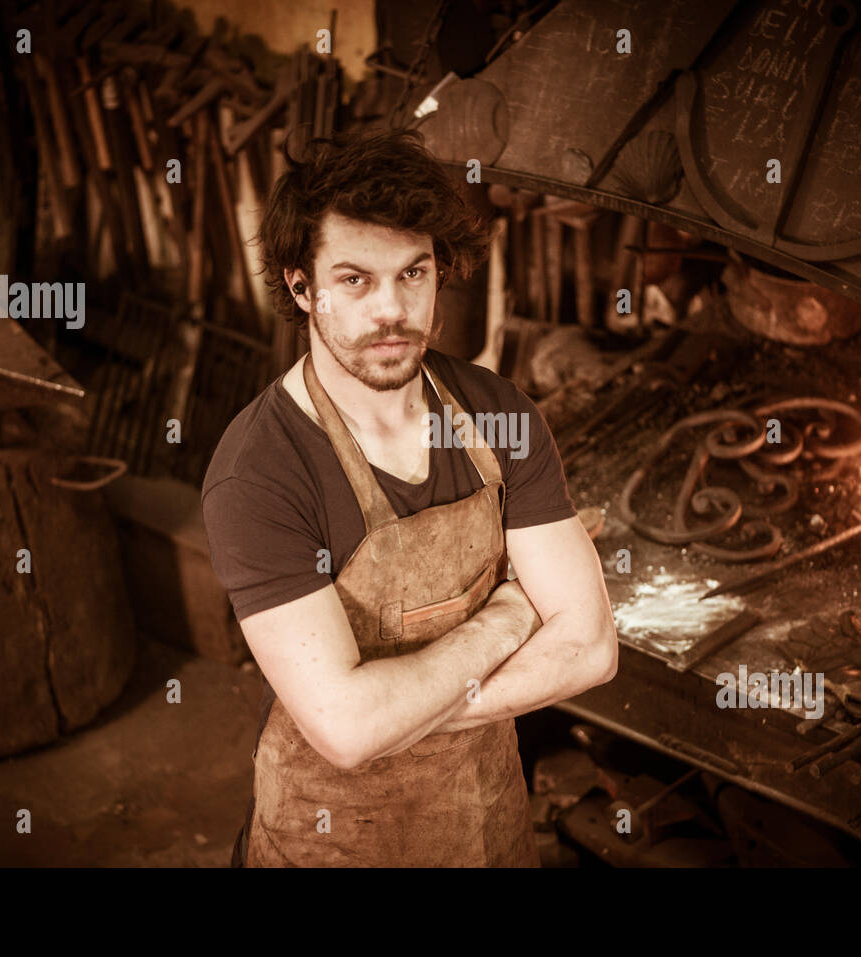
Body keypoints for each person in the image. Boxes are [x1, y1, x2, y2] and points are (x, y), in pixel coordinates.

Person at [202, 128, 617, 867]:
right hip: (328, 840)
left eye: (413, 274)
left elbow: (589, 648)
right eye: (355, 280)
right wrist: (510, 616)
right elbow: (346, 730)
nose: (392, 310)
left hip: (485, 826)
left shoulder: (499, 414)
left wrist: (401, 711)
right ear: (302, 288)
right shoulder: (259, 471)